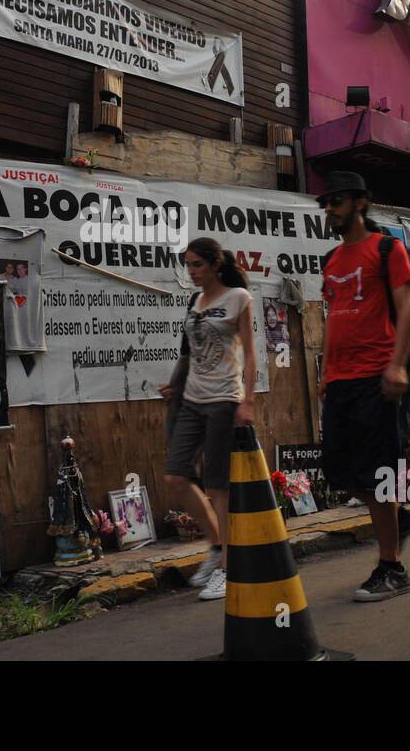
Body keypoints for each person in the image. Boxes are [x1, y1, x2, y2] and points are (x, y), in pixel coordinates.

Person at [317, 171, 410, 602]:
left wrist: (397, 366)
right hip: (339, 379)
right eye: (326, 204)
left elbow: (408, 309)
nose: (330, 211)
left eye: (336, 202)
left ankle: (392, 567)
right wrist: (323, 374)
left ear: (359, 202)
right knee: (340, 473)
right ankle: (398, 518)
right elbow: (332, 316)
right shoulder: (331, 259)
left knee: (378, 477)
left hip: (376, 376)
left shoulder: (387, 248)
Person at [158, 237, 257, 602]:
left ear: (216, 264)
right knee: (175, 475)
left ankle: (228, 569)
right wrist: (173, 384)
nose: (192, 271)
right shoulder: (195, 301)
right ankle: (216, 545)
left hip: (223, 400)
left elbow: (249, 354)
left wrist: (247, 401)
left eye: (198, 264)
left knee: (218, 486)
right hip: (191, 400)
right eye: (188, 265)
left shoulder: (238, 299)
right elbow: (187, 353)